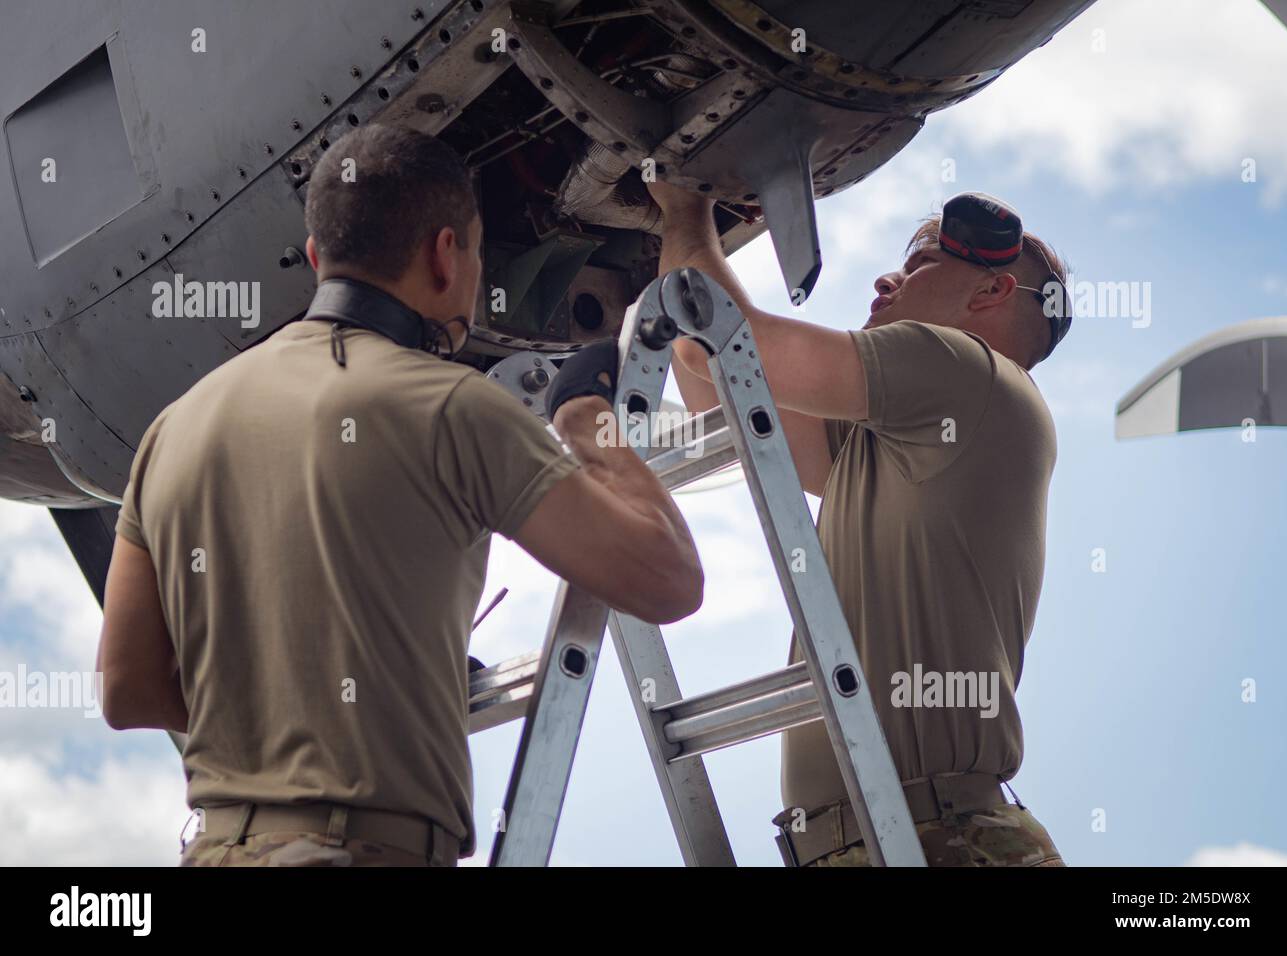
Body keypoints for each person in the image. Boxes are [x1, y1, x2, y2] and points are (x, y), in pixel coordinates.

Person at [95, 124, 703, 867]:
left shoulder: (174, 427)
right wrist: (588, 423)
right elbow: (668, 580)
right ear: (447, 254)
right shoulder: (451, 407)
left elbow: (126, 689)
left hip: (216, 850)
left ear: (318, 258)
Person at [649, 181, 1068, 867]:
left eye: (923, 263)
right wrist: (676, 237)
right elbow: (717, 384)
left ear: (990, 294)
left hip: (940, 842)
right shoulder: (900, 435)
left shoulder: (966, 372)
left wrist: (685, 208)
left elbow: (731, 346)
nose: (887, 276)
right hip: (888, 839)